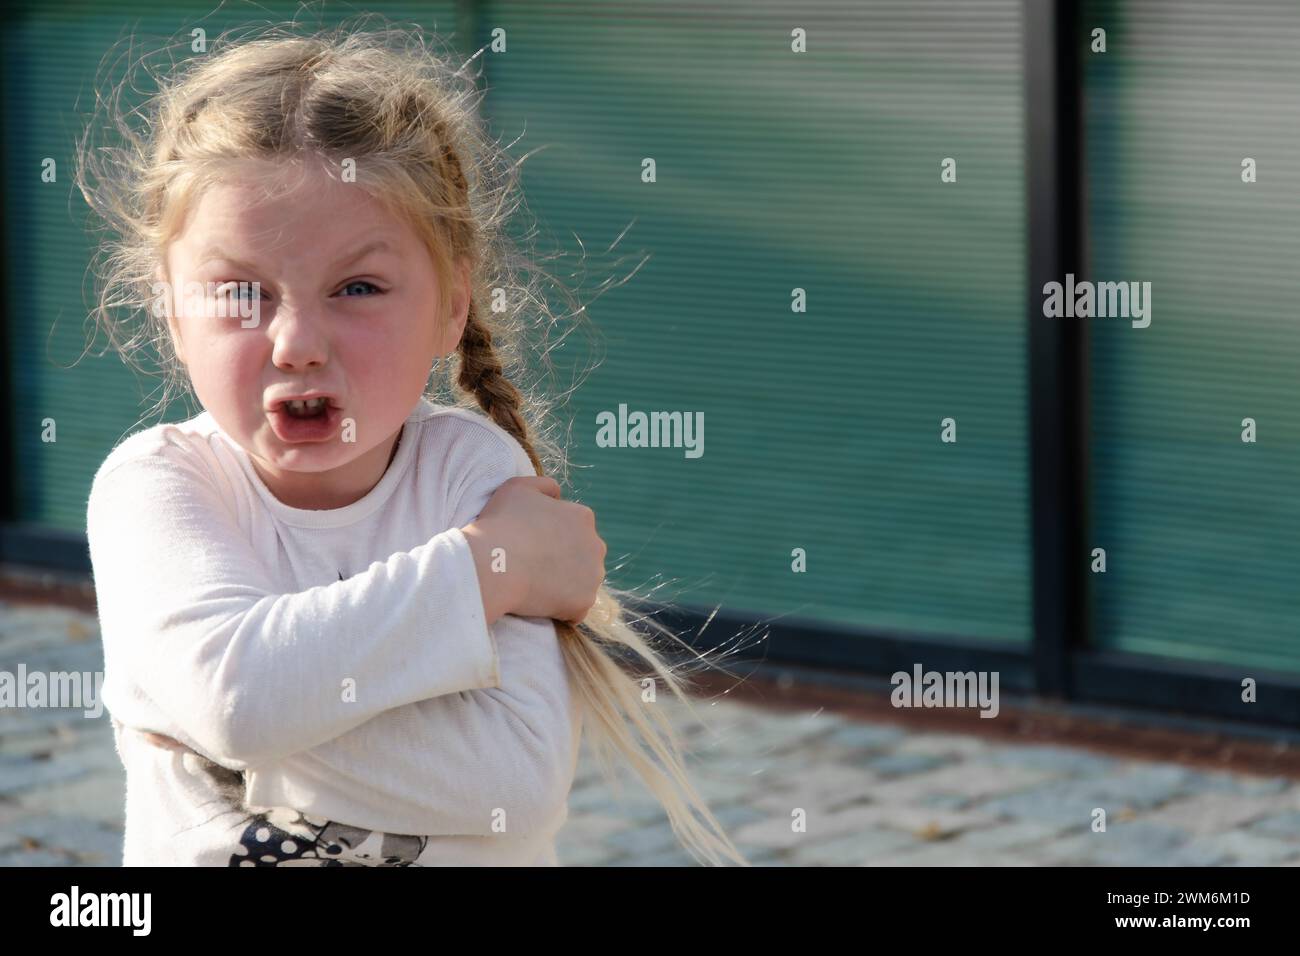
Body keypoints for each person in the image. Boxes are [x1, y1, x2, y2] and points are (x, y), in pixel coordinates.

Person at [76, 18, 747, 867]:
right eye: (241, 291)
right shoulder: (156, 488)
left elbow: (513, 786)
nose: (297, 342)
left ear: (451, 306)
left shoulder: (474, 476)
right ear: (171, 314)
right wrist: (488, 569)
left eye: (358, 286)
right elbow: (237, 699)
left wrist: (219, 728)